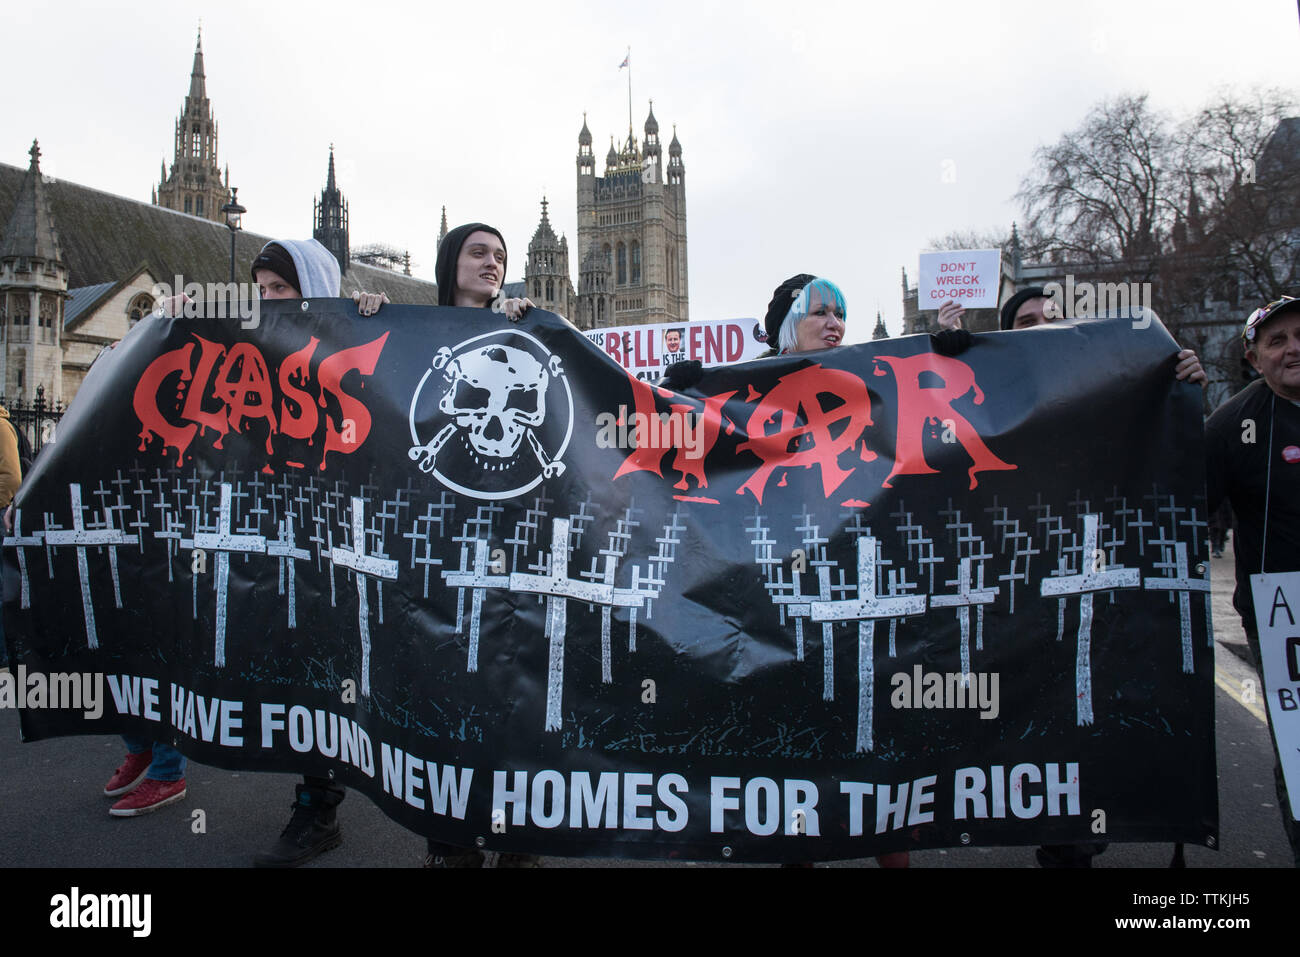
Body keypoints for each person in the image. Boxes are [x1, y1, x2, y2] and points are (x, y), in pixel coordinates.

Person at [245, 238, 386, 866]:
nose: (271, 300)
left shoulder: (352, 343)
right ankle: (316, 806)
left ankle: (444, 810)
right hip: (291, 543)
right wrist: (175, 319)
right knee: (312, 675)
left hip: (359, 542)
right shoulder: (253, 347)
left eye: (282, 287)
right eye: (263, 289)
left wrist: (370, 315)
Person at [424, 222, 536, 868]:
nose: (491, 263)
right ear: (451, 262)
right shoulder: (413, 333)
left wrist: (530, 319)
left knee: (509, 691)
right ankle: (451, 843)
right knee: (444, 695)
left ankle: (519, 839)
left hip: (509, 545)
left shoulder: (522, 333)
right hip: (439, 545)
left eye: (500, 255)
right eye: (478, 252)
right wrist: (364, 313)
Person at [1206, 295, 1300, 866]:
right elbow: (1179, 508)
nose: (1294, 348)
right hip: (1285, 616)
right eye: (1277, 340)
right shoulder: (1231, 424)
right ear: (1253, 357)